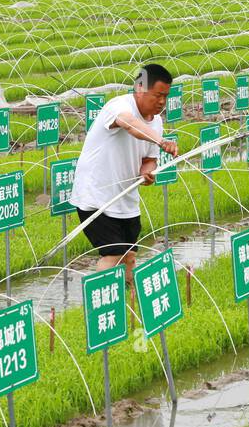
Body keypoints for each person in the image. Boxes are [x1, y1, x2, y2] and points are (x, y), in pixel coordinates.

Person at [70, 64, 179, 286]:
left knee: (129, 256)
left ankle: (130, 301)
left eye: (165, 97)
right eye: (158, 95)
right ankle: (100, 306)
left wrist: (147, 173)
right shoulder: (119, 106)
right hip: (96, 197)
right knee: (112, 255)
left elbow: (149, 159)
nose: (162, 102)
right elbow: (129, 124)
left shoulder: (156, 122)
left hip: (126, 198)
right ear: (140, 88)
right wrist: (161, 141)